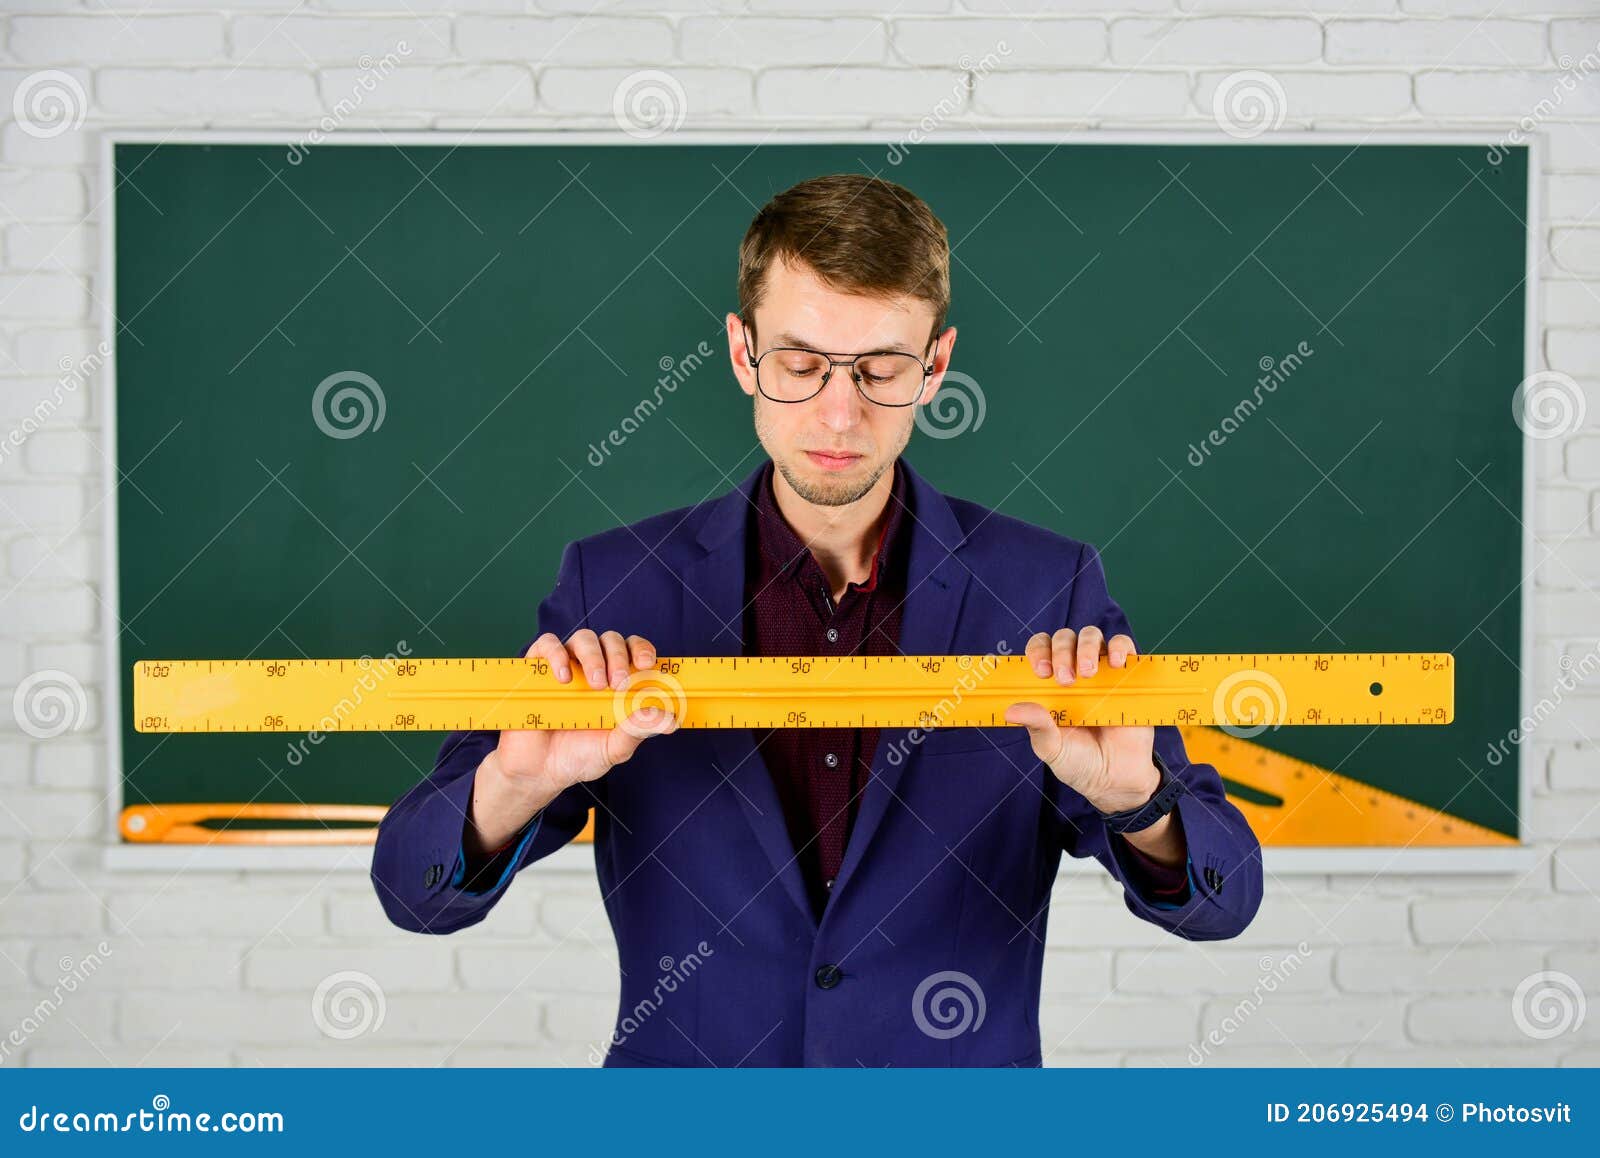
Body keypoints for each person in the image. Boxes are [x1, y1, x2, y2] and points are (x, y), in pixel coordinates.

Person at [372, 174, 1263, 1067]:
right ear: (740, 353)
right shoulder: (613, 588)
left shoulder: (1042, 590)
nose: (841, 413)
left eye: (881, 369)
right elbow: (416, 893)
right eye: (800, 365)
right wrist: (513, 790)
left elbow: (1225, 900)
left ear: (937, 365)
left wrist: (1136, 803)